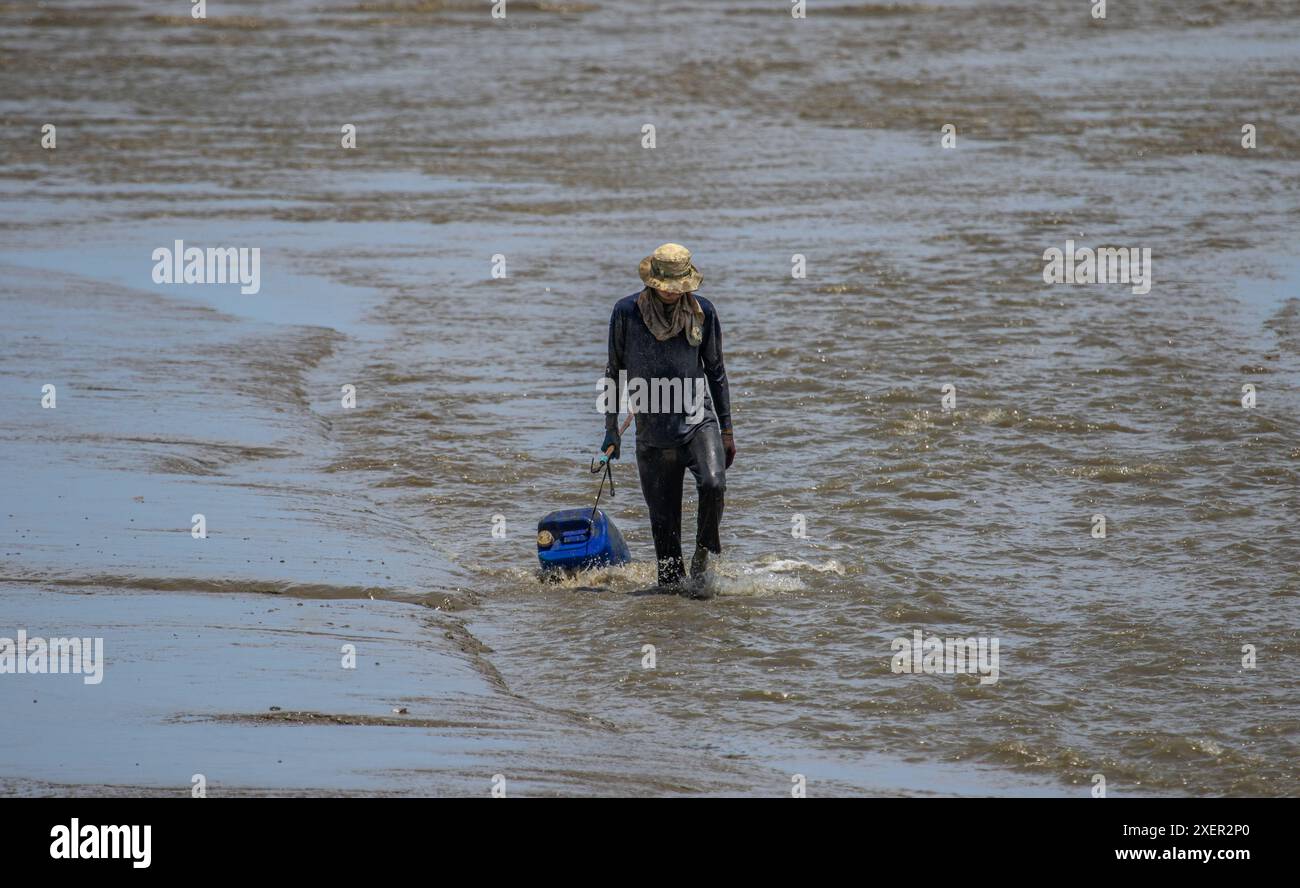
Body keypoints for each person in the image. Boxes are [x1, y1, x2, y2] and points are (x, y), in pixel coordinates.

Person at [602, 243, 735, 593]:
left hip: (697, 419)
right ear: (653, 281)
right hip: (652, 429)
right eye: (666, 287)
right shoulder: (626, 313)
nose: (672, 293)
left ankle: (704, 552)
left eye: (679, 288)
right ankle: (670, 622)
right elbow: (613, 373)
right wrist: (611, 430)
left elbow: (716, 372)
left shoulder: (703, 312)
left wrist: (727, 430)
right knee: (668, 562)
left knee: (713, 483)